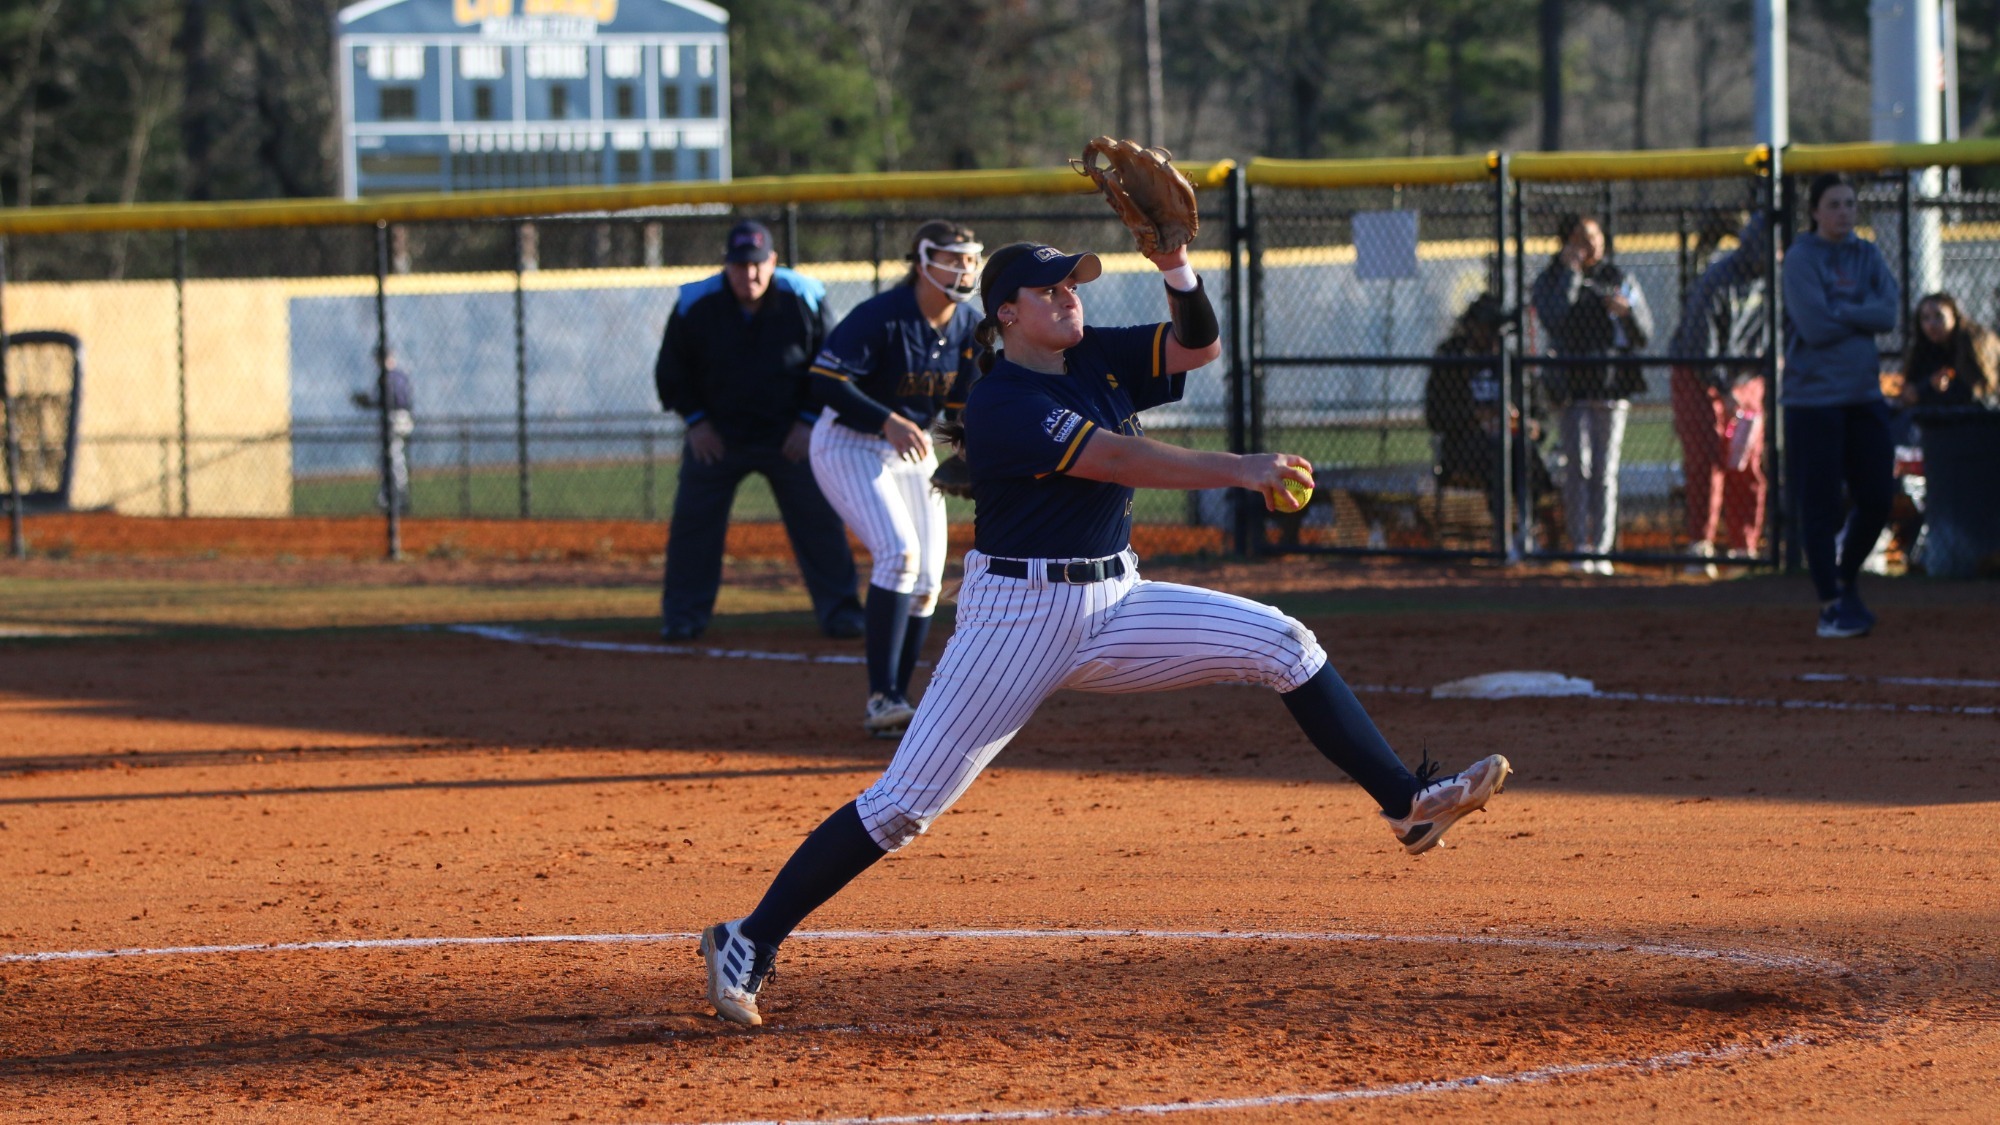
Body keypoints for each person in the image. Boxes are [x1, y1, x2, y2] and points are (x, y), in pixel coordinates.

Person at [696, 239, 1513, 1027]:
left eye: (1073, 282)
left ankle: (1407, 804)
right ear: (1008, 314)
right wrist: (1243, 467)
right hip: (1016, 620)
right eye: (1049, 289)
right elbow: (1119, 458)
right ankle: (750, 936)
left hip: (1116, 599)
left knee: (1285, 645)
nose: (1068, 295)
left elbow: (1198, 347)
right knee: (903, 806)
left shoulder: (1092, 355)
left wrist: (1175, 266)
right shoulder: (1004, 400)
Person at [808, 220, 983, 739]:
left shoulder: (969, 326)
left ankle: (897, 703)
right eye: (952, 258)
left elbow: (959, 408)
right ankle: (881, 696)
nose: (964, 268)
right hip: (850, 442)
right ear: (923, 261)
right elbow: (825, 379)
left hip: (913, 447)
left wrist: (971, 453)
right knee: (898, 553)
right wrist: (884, 418)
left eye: (970, 258)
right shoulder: (882, 315)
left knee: (929, 579)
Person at [654, 219, 866, 642]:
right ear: (725, 265)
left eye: (756, 264)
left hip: (790, 436)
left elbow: (833, 367)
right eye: (738, 265)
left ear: (772, 261)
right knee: (694, 526)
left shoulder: (803, 296)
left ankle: (841, 613)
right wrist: (696, 424)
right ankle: (683, 617)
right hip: (717, 436)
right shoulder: (696, 301)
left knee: (818, 522)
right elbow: (672, 371)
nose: (748, 275)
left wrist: (808, 424)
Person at [1782, 173, 1901, 638]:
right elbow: (1813, 326)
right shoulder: (1800, 258)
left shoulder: (1867, 253)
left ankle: (1846, 578)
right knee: (1821, 505)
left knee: (1876, 496)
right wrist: (1859, 313)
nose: (1844, 213)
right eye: (1834, 204)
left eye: (1850, 204)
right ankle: (1830, 602)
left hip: (1863, 393)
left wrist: (1842, 311)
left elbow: (1888, 314)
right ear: (1815, 211)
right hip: (1813, 399)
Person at [1531, 213, 1653, 574]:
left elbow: (1644, 332)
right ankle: (1579, 547)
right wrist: (1570, 274)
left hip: (1611, 384)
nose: (1593, 245)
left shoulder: (1618, 277)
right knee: (1577, 469)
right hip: (1572, 387)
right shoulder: (1553, 278)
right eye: (1584, 238)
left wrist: (1627, 314)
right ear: (1568, 242)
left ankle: (1601, 549)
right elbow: (1553, 317)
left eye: (1597, 237)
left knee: (1604, 470)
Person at [1669, 216, 1773, 574]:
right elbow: (1701, 345)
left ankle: (1743, 549)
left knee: (1747, 463)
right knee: (1706, 462)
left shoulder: (1778, 283)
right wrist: (1723, 389)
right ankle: (1702, 547)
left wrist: (1749, 385)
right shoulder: (1718, 279)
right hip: (1700, 377)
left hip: (1746, 380)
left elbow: (1776, 339)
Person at [1424, 292, 1553, 543]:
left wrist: (1533, 425)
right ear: (1471, 327)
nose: (1494, 336)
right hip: (1465, 446)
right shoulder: (1451, 359)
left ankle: (1526, 527)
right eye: (1488, 328)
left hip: (1513, 442)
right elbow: (1435, 416)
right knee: (1499, 452)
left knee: (1522, 452)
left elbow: (1541, 415)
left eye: (1498, 330)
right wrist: (1475, 417)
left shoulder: (1512, 363)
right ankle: (1503, 535)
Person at [1895, 293, 2000, 411]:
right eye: (1925, 318)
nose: (1931, 325)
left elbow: (1977, 391)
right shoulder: (1922, 349)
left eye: (1939, 316)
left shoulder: (1973, 343)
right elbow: (1913, 389)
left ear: (1954, 316)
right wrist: (1923, 389)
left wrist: (1945, 387)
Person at [352, 346, 415, 514]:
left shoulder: (386, 376)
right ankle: (392, 496)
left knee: (391, 459)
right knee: (395, 458)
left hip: (393, 419)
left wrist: (364, 402)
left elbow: (382, 401)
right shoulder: (401, 375)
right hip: (405, 418)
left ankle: (395, 497)